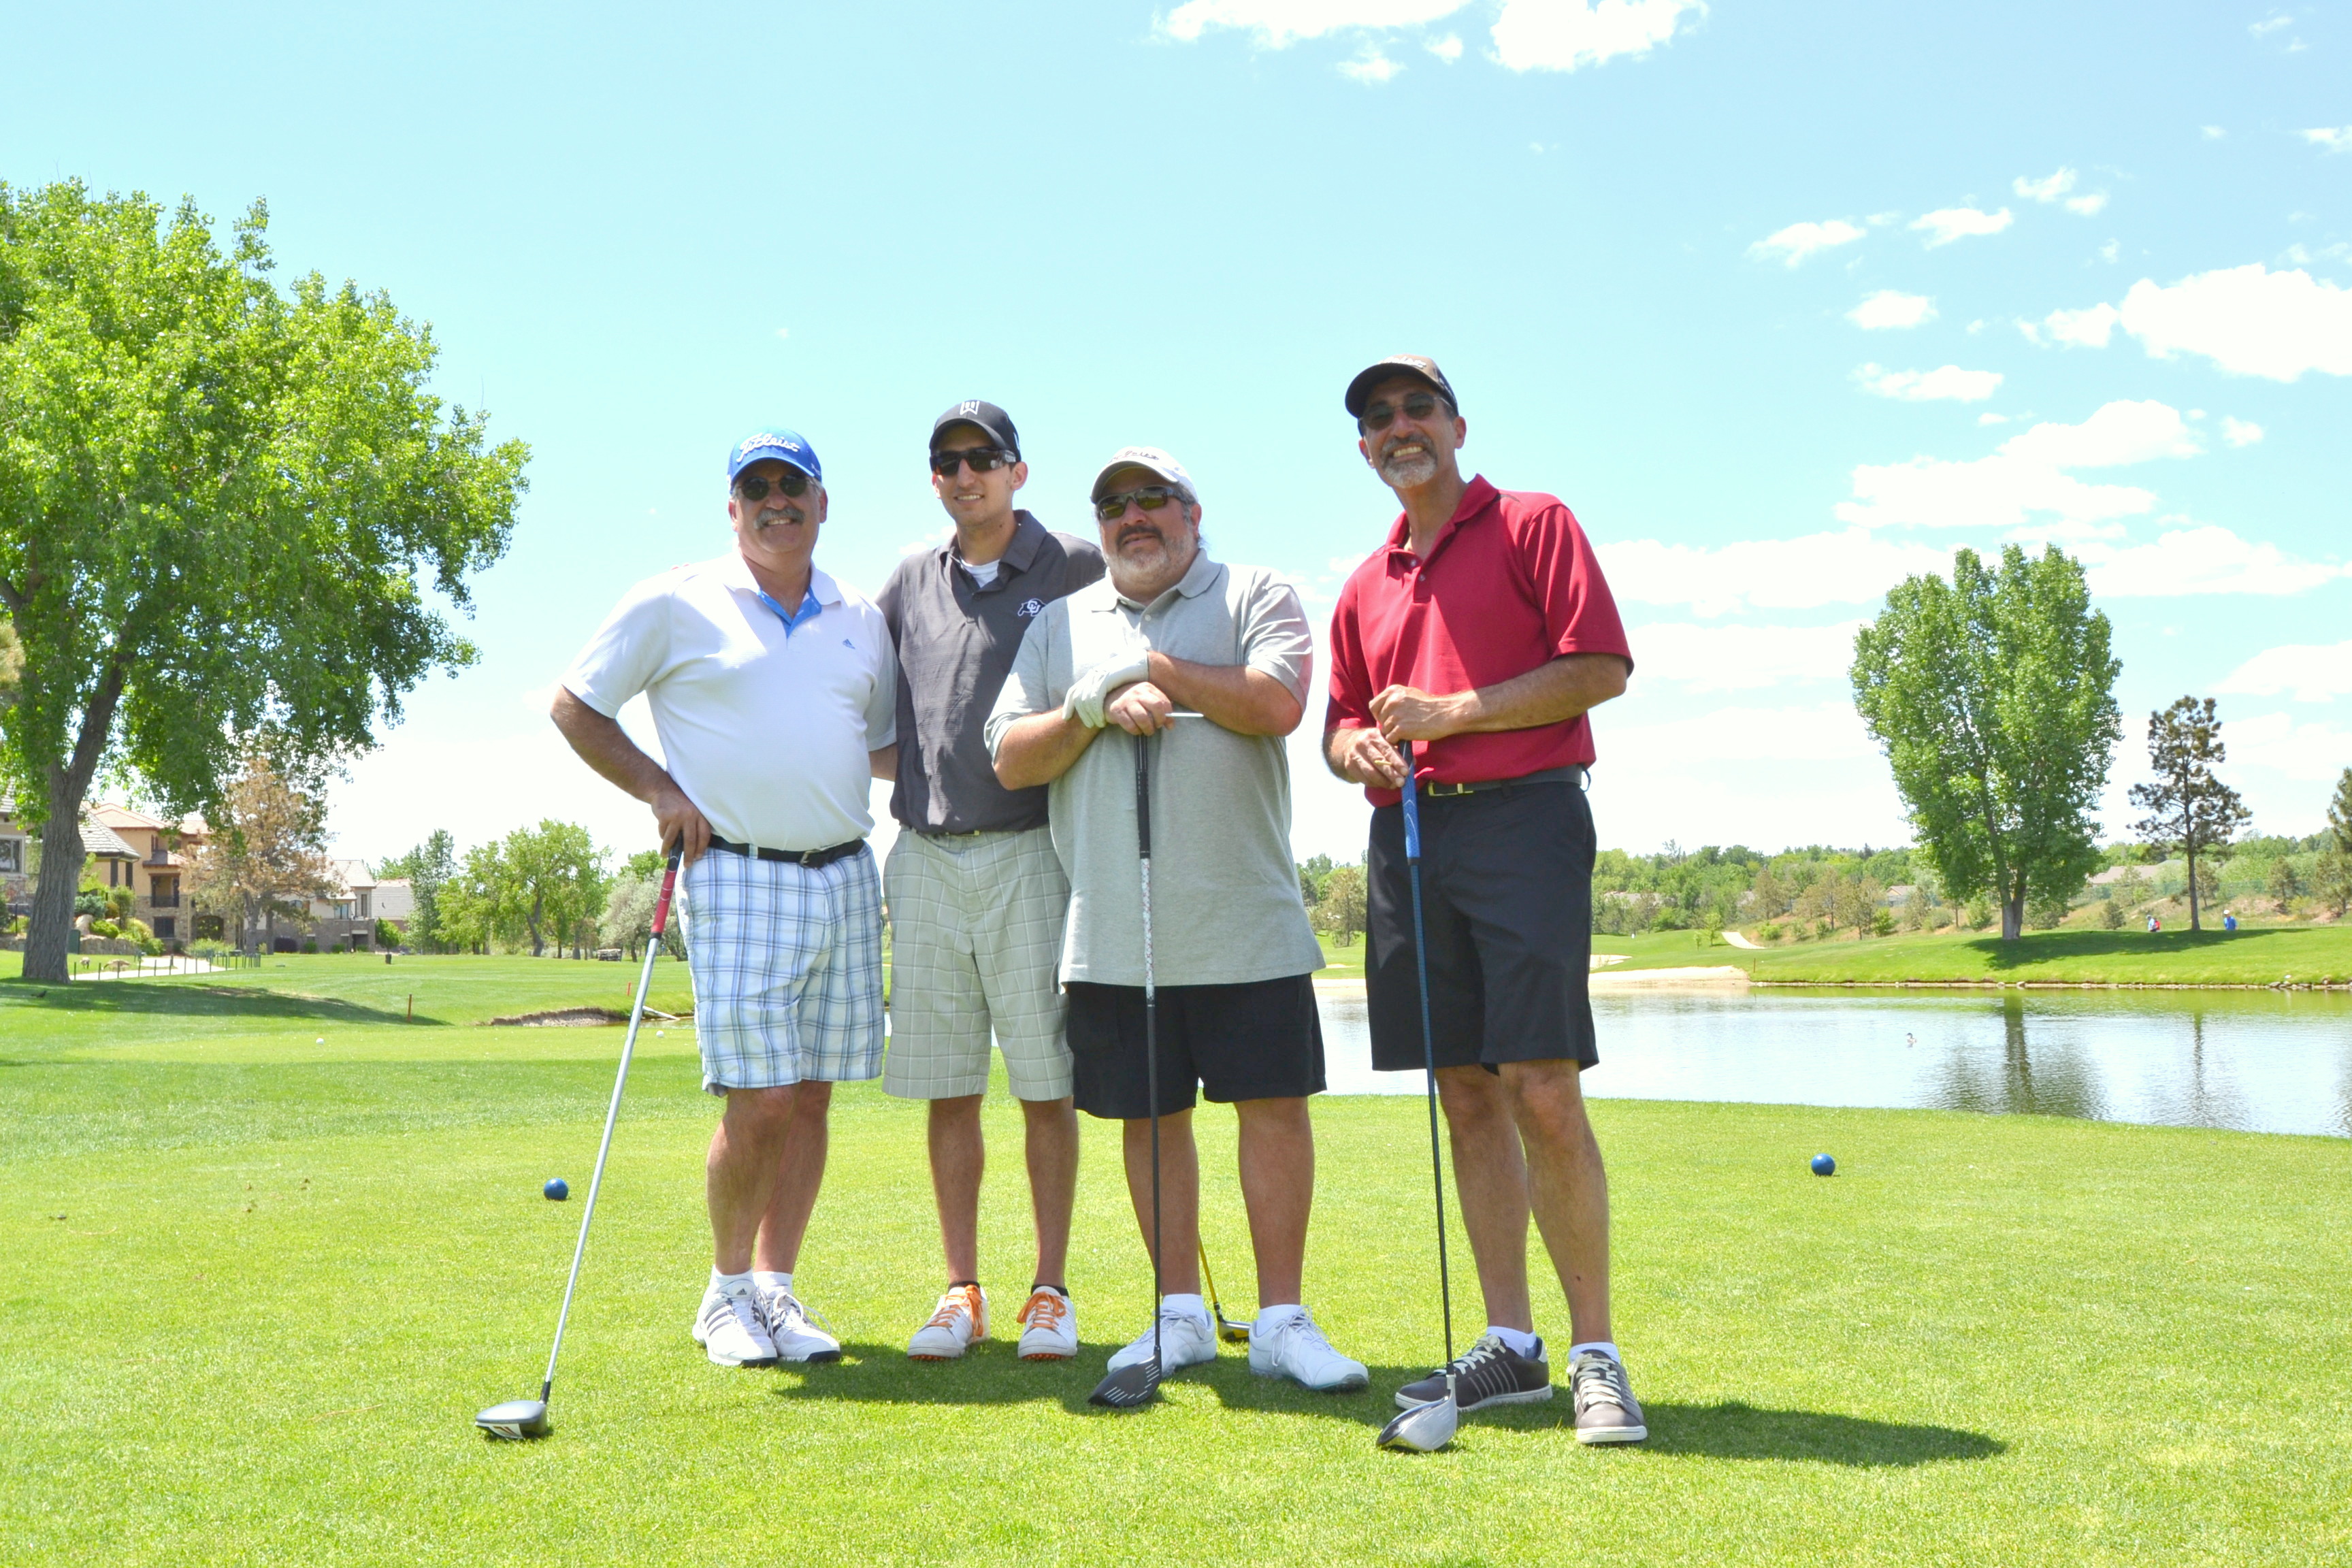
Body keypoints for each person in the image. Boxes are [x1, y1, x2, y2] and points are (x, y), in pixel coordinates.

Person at [986, 445, 1368, 1394]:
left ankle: (1280, 1319)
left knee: (1271, 1111)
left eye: (1154, 498)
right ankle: (1179, 1316)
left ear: (1194, 513)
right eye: (1114, 504)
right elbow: (1011, 759)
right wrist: (1093, 701)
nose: (1134, 516)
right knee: (1150, 1120)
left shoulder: (1256, 593)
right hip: (1115, 926)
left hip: (1245, 915)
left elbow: (1276, 704)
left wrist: (1156, 666)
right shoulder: (1063, 623)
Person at [1322, 355, 1646, 1443]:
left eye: (1417, 409)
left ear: (1457, 425)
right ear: (1364, 449)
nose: (1399, 428)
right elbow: (1339, 726)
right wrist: (1357, 745)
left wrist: (1451, 713)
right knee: (1463, 1089)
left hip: (1524, 823)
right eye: (1378, 419)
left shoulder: (1536, 522)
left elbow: (1599, 665)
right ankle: (1512, 1348)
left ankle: (1596, 1351)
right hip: (1409, 835)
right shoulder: (1364, 584)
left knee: (1541, 1085)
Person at [552, 425, 896, 1370]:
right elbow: (576, 704)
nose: (777, 502)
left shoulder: (858, 615)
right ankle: (725, 1292)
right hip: (736, 870)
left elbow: (875, 744)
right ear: (733, 506)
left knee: (815, 1095)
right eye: (758, 488)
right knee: (761, 1100)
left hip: (844, 872)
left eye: (795, 487)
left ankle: (777, 1291)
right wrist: (660, 791)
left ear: (824, 504)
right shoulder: (676, 598)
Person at [876, 400, 1105, 1362]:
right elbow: (882, 723)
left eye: (983, 459)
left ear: (1017, 471)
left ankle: (1049, 1292)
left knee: (1047, 1086)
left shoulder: (1075, 567)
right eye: (947, 462)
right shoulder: (908, 579)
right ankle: (961, 1289)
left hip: (1032, 853)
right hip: (924, 857)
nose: (964, 475)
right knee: (948, 1088)